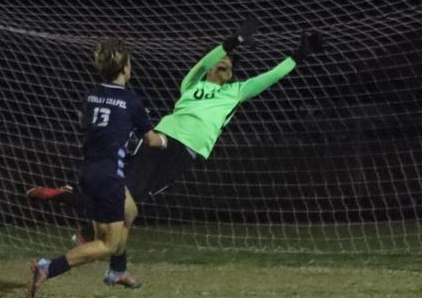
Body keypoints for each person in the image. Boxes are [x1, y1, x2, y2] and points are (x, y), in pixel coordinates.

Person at [123, 17, 323, 206]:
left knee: (138, 197)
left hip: (188, 149)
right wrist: (236, 40)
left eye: (229, 62)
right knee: (125, 189)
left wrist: (298, 55)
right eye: (223, 58)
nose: (226, 61)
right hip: (161, 136)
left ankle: (107, 237)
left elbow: (270, 76)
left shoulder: (234, 92)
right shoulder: (191, 84)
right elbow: (203, 63)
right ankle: (100, 231)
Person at [27, 38, 168, 298]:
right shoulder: (131, 100)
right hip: (109, 177)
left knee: (130, 212)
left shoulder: (90, 96)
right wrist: (165, 139)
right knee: (107, 244)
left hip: (89, 170)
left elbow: (90, 124)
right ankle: (48, 268)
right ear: (126, 67)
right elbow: (151, 140)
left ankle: (117, 270)